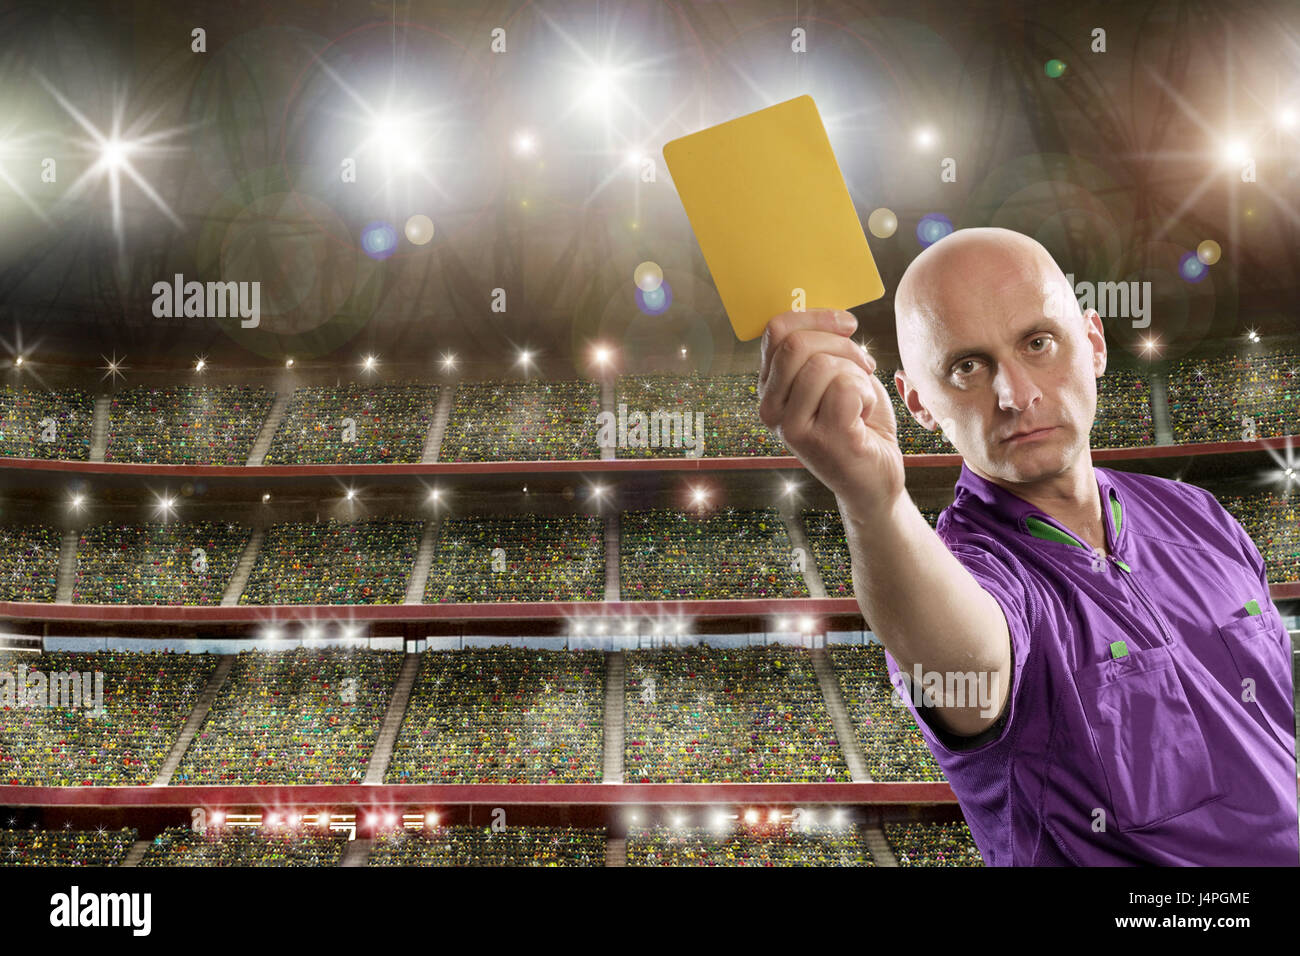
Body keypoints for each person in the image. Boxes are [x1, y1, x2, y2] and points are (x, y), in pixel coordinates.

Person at [757, 226, 1299, 865]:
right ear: (918, 403)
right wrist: (872, 502)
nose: (1017, 395)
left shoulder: (1197, 514)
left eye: (1038, 343)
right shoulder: (966, 571)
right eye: (967, 367)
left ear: (1093, 343)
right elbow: (968, 673)